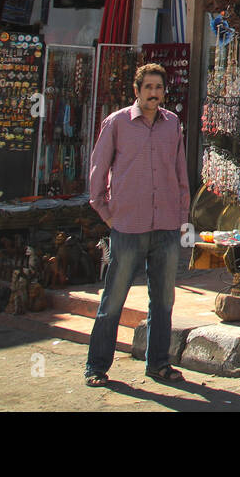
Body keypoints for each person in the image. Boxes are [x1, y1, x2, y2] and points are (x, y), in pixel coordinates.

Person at [84, 63, 190, 386]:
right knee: (114, 298)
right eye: (148, 88)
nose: (154, 94)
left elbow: (180, 172)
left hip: (166, 226)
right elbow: (98, 170)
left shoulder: (172, 124)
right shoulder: (117, 123)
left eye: (159, 88)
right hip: (128, 226)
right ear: (137, 90)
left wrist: (181, 214)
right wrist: (107, 212)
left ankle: (158, 363)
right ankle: (97, 367)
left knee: (163, 299)